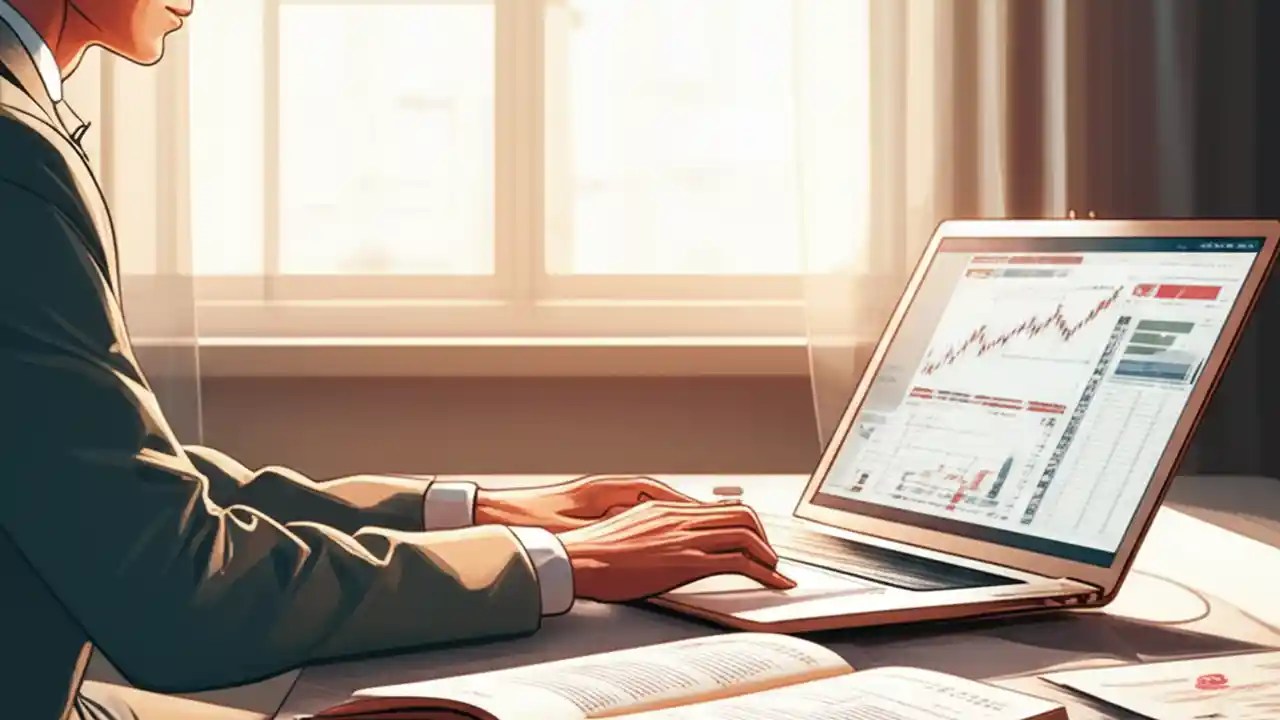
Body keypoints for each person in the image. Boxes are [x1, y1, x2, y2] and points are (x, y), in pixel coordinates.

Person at [0, 1, 795, 718]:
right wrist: (556, 563)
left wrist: (492, 515)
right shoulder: (13, 153)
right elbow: (176, 591)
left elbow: (121, 487)